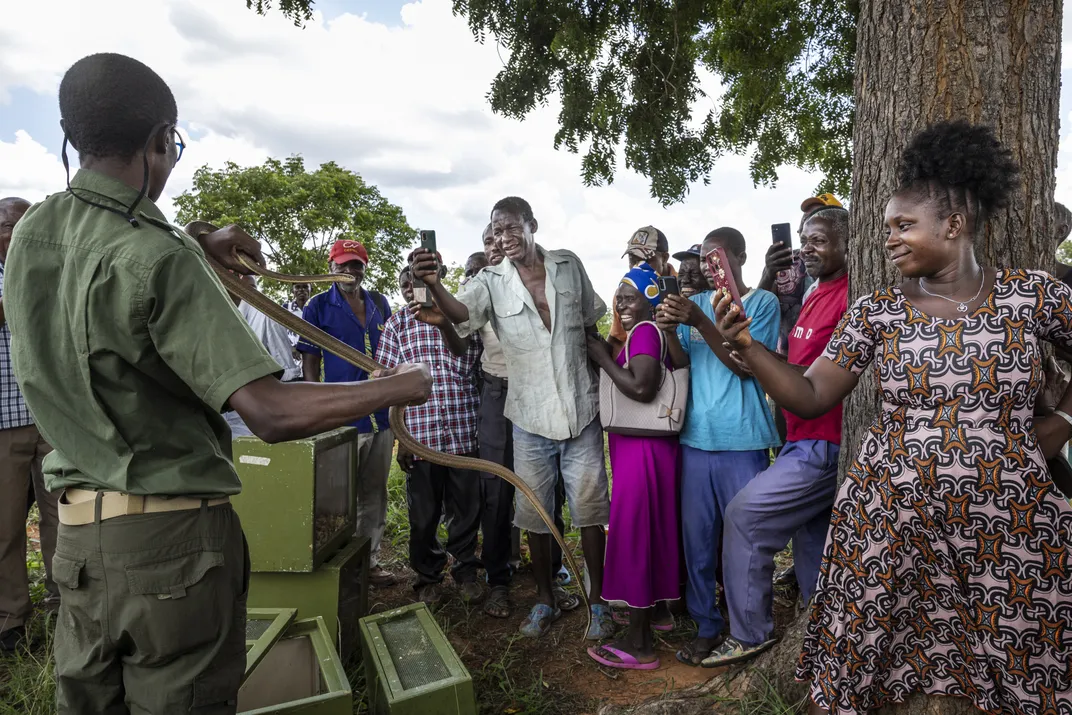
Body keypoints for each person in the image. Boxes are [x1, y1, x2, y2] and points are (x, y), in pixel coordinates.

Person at [3, 53, 430, 713]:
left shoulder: (30, 232)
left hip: (80, 543)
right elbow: (270, 411)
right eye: (171, 147)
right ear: (157, 140)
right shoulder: (161, 256)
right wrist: (395, 388)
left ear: (73, 136)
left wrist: (197, 239)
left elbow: (110, 270)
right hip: (171, 552)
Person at [713, 120, 1072, 714]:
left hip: (1007, 526)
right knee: (882, 661)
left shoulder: (1030, 296)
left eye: (904, 226)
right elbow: (808, 396)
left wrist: (1060, 421)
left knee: (1016, 665)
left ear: (953, 226)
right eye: (887, 229)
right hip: (890, 526)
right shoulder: (877, 312)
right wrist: (750, 349)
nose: (890, 240)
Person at [411, 196, 615, 640]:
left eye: (511, 229)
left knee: (589, 510)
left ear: (532, 225)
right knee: (534, 513)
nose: (505, 239)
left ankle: (598, 603)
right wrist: (433, 284)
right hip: (528, 417)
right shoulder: (489, 280)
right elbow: (462, 316)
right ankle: (543, 599)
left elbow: (589, 326)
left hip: (580, 410)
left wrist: (611, 385)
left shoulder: (567, 265)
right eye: (496, 232)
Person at [703, 206, 850, 668]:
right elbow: (795, 367)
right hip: (799, 438)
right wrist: (752, 352)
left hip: (824, 444)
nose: (808, 248)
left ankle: (750, 634)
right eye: (805, 239)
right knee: (814, 539)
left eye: (820, 240)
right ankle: (818, 626)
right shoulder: (814, 292)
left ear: (850, 244)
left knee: (744, 516)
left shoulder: (850, 294)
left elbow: (823, 380)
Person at [658, 227, 781, 666]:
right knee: (699, 541)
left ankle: (748, 625)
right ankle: (706, 625)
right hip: (696, 441)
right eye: (707, 256)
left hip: (743, 441)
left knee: (745, 542)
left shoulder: (760, 304)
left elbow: (746, 365)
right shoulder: (701, 305)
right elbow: (683, 361)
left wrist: (699, 320)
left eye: (720, 255)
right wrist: (671, 329)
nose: (712, 263)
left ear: (741, 258)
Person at [585, 266, 687, 670]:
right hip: (650, 451)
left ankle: (639, 645)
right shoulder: (650, 332)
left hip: (641, 452)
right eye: (618, 297)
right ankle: (658, 614)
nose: (621, 305)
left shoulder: (645, 331)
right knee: (653, 532)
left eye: (629, 297)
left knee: (635, 537)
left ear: (650, 299)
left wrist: (601, 359)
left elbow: (642, 388)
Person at [472, 224, 575, 619]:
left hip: (543, 394)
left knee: (548, 489)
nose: (496, 246)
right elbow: (460, 345)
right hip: (498, 395)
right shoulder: (482, 290)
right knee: (498, 492)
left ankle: (550, 573)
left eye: (501, 237)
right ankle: (499, 581)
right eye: (488, 242)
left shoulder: (543, 278)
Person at [378, 265, 483, 605]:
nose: (412, 289)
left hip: (461, 432)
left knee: (466, 510)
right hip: (419, 438)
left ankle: (466, 570)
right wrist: (401, 438)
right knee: (423, 515)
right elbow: (388, 385)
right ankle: (427, 577)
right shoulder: (396, 325)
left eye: (418, 283)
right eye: (405, 284)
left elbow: (469, 362)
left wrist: (442, 323)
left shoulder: (457, 321)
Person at [298, 238, 398, 586]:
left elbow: (392, 353)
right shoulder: (318, 306)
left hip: (380, 415)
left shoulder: (379, 304)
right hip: (341, 416)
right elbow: (310, 360)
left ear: (364, 269)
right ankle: (335, 566)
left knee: (374, 492)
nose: (348, 271)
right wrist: (316, 411)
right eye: (342, 265)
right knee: (337, 497)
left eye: (355, 265)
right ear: (331, 268)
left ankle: (367, 563)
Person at [0, 196, 60, 653]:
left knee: (65, 520)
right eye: (8, 225)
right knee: (5, 527)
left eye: (25, 224)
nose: (17, 233)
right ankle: (10, 620)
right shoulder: (33, 278)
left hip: (54, 420)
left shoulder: (53, 269)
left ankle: (67, 609)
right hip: (4, 424)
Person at [222, 272, 304, 437]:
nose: (250, 294)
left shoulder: (266, 315)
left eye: (253, 288)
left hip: (252, 411)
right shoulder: (215, 312)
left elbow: (287, 370)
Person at [608, 226, 676, 348]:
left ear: (664, 258)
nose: (638, 267)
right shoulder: (623, 296)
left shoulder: (685, 287)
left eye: (647, 261)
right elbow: (617, 338)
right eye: (633, 261)